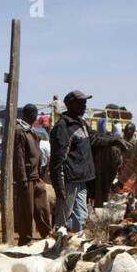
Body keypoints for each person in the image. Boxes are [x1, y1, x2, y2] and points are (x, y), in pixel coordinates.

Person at [49, 89, 94, 231]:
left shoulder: (81, 123)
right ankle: (57, 249)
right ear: (71, 105)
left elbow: (94, 138)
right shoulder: (63, 127)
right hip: (68, 182)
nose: (85, 106)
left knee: (81, 217)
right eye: (82, 103)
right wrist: (59, 185)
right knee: (63, 219)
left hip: (80, 179)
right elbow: (57, 159)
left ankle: (71, 249)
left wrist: (114, 140)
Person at [12, 103, 51, 244]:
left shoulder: (31, 131)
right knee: (26, 211)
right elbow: (19, 157)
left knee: (42, 208)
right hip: (27, 178)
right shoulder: (20, 131)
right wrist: (22, 179)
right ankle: (25, 240)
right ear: (33, 116)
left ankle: (47, 236)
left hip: (36, 177)